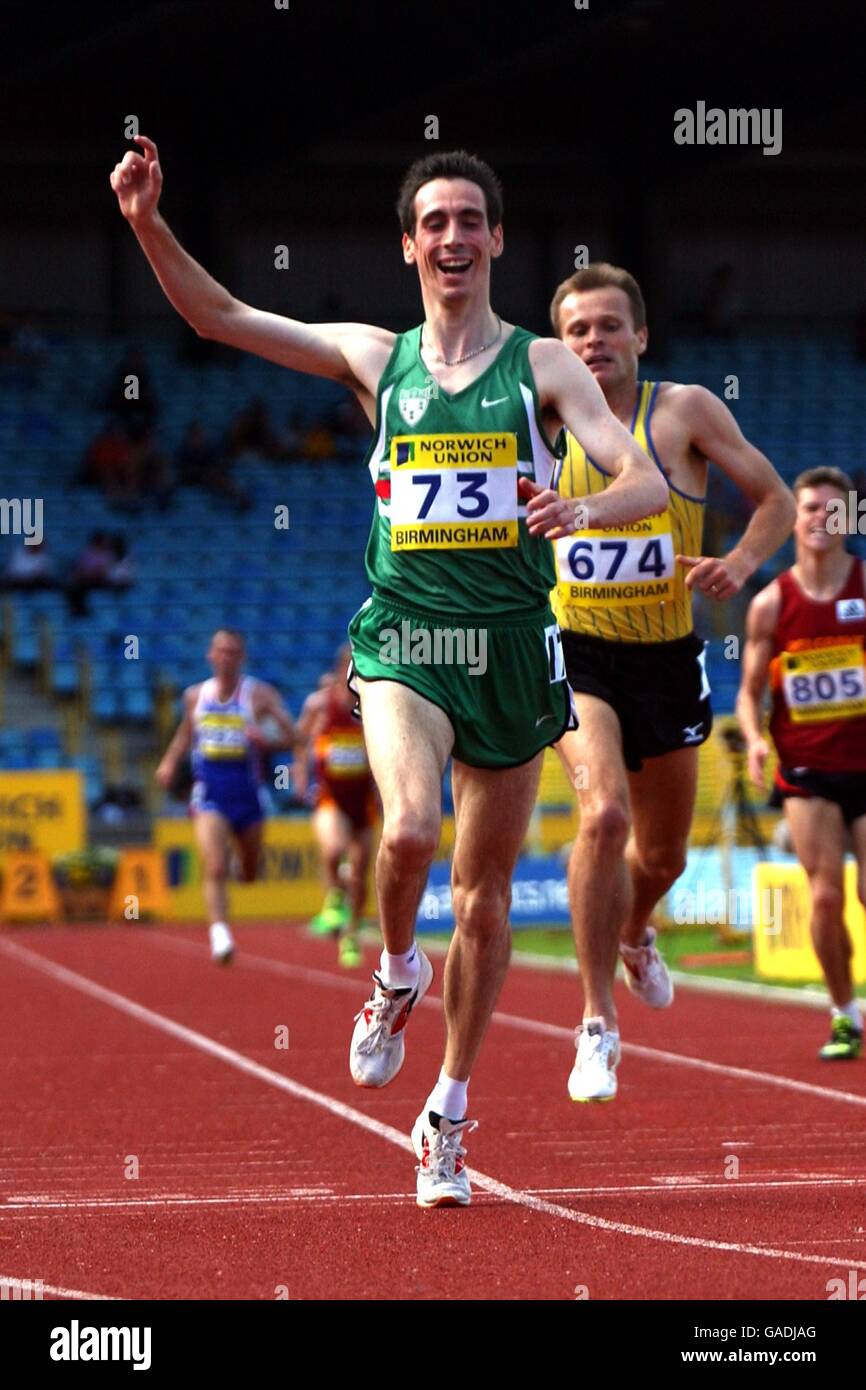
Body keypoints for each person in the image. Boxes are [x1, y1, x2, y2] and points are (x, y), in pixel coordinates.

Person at [111, 136, 668, 1208]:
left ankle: (448, 1110)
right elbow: (217, 316)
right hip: (406, 640)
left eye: (471, 220)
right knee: (410, 830)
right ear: (408, 243)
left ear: (496, 239)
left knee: (484, 898)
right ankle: (391, 972)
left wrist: (582, 506)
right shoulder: (376, 357)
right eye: (435, 221)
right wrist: (143, 220)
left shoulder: (544, 368)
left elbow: (636, 472)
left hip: (509, 644)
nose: (453, 236)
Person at [548, 263, 795, 1101]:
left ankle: (635, 928)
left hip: (667, 656)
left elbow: (776, 499)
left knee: (663, 855)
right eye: (577, 330)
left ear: (640, 336)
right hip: (577, 654)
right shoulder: (541, 419)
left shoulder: (684, 411)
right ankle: (594, 1024)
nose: (594, 342)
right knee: (604, 813)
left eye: (609, 326)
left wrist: (740, 561)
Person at [737, 467, 866, 1059]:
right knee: (824, 898)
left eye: (832, 510)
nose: (820, 518)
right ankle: (844, 1014)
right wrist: (754, 738)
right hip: (807, 769)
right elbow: (747, 695)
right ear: (794, 517)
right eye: (810, 507)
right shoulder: (770, 604)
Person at [154, 628, 295, 963]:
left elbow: (293, 736)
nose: (226, 657)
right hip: (210, 794)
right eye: (221, 650)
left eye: (233, 651)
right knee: (214, 866)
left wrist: (266, 739)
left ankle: (239, 863)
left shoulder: (259, 695)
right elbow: (184, 736)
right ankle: (220, 935)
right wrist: (169, 763)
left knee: (247, 874)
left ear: (241, 657)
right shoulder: (195, 696)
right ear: (210, 656)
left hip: (249, 795)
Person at [294, 645, 379, 968]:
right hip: (331, 794)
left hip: (363, 799)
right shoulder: (320, 704)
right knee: (333, 850)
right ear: (343, 667)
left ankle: (351, 935)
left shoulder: (375, 703)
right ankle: (333, 899)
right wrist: (300, 774)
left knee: (359, 873)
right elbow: (300, 740)